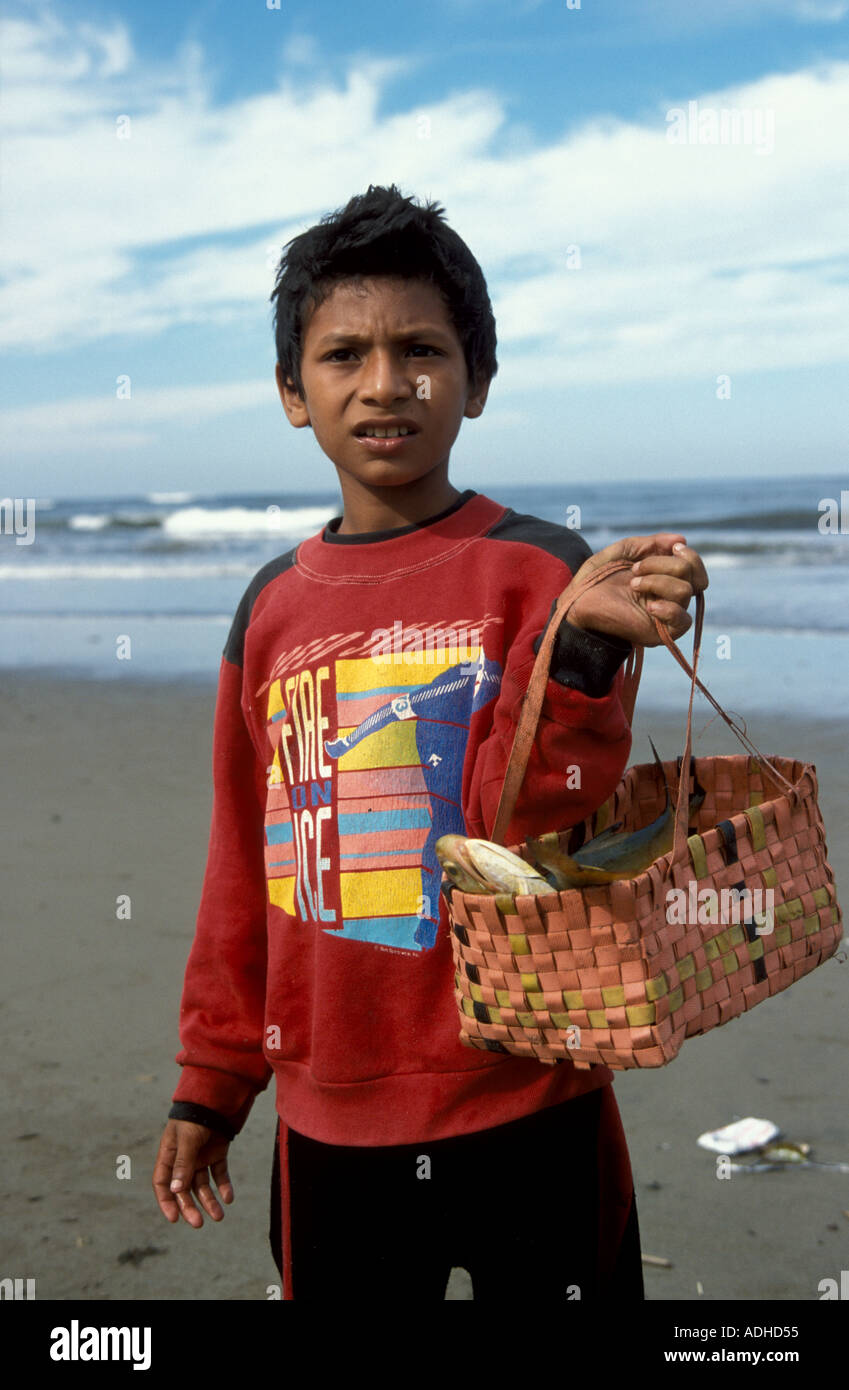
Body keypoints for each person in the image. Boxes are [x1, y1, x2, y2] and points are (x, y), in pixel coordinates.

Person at [152, 183, 708, 1301]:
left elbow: (548, 807)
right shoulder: (271, 610)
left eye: (422, 349)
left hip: (536, 1094)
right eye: (343, 353)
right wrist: (211, 1082)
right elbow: (240, 864)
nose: (384, 381)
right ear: (290, 393)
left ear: (478, 379)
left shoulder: (545, 570)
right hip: (331, 1116)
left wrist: (589, 652)